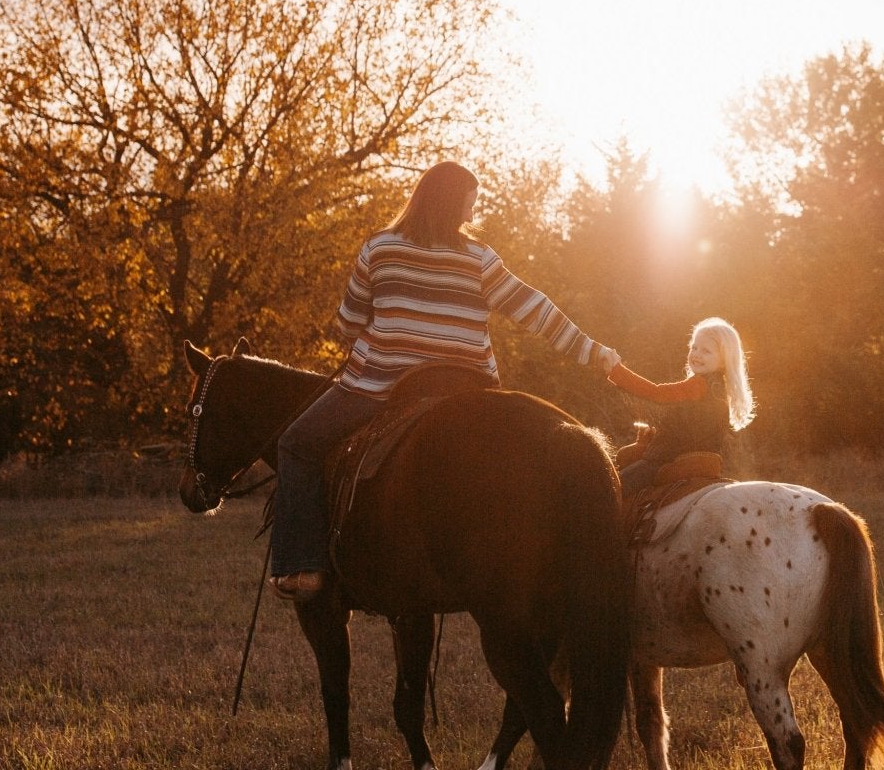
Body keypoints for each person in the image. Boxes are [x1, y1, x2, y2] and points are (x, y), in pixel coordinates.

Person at [269, 161, 623, 600]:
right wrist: (594, 352)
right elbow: (536, 310)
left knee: (296, 444)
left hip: (383, 385)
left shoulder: (378, 248)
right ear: (450, 204)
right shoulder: (480, 259)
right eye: (468, 204)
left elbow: (348, 323)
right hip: (466, 386)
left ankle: (301, 567)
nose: (471, 214)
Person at [604, 317, 756, 494]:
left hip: (669, 460)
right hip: (702, 464)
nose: (696, 354)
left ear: (723, 360)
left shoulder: (699, 384)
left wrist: (616, 371)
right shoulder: (719, 389)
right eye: (694, 347)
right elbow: (690, 428)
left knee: (610, 490)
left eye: (706, 351)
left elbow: (657, 394)